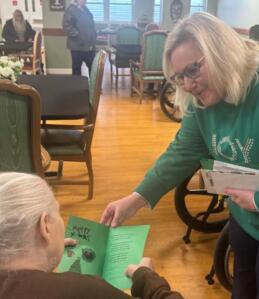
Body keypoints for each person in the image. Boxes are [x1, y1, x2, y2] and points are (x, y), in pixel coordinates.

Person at [101, 12, 259, 299]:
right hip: (243, 220)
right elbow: (180, 154)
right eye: (178, 77)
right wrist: (134, 200)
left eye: (193, 71)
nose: (186, 84)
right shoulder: (201, 103)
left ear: (221, 53)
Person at [0, 172, 183, 299]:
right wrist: (148, 280)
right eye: (58, 213)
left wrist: (44, 254)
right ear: (45, 226)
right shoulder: (84, 290)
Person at [62, 0, 97, 76]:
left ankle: (92, 87)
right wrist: (79, 36)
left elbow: (90, 25)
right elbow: (66, 26)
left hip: (89, 47)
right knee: (76, 70)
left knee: (93, 70)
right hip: (77, 47)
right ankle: (77, 87)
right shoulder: (70, 10)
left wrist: (94, 36)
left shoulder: (86, 10)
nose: (85, 0)